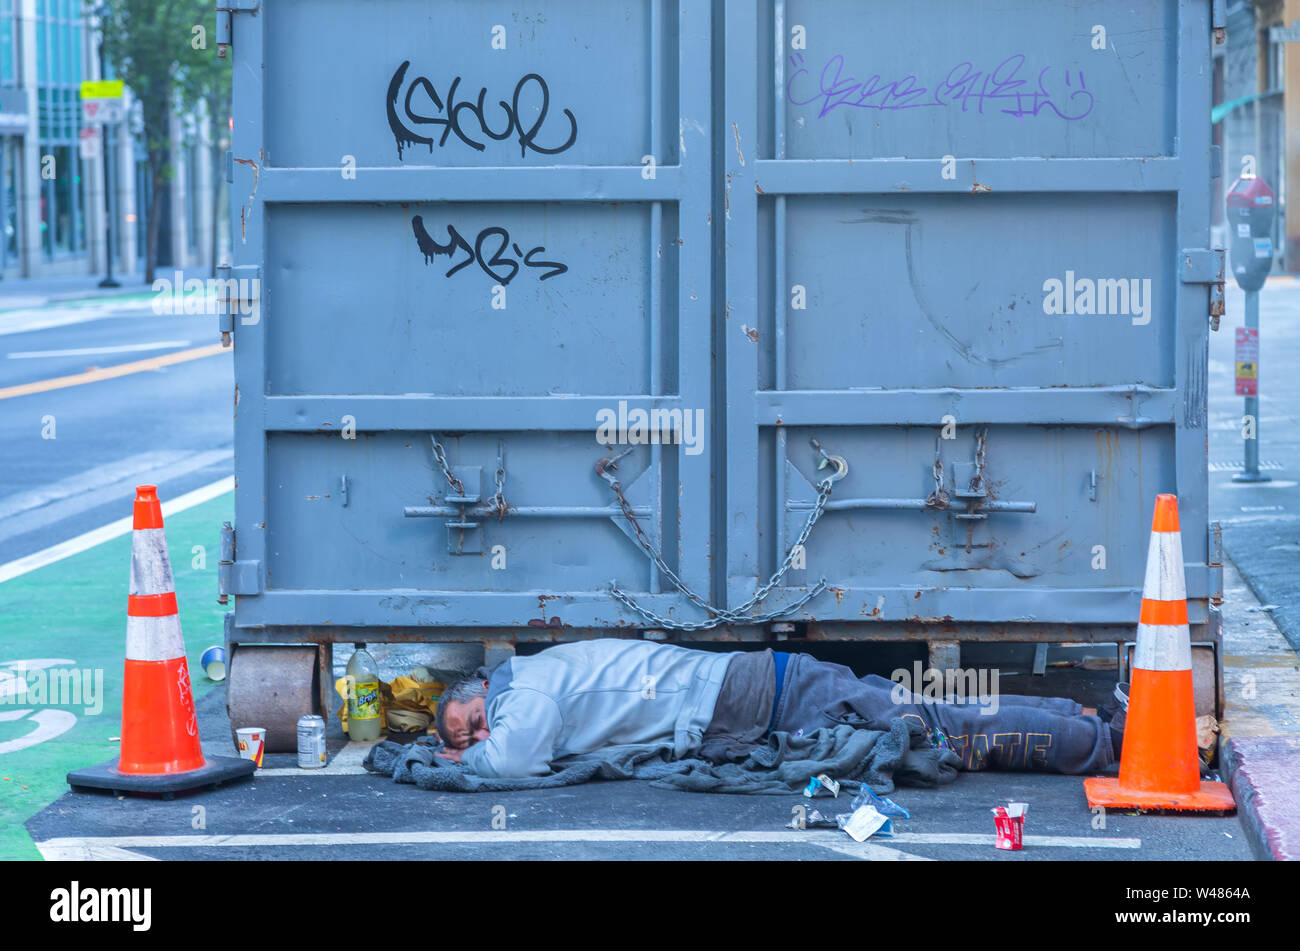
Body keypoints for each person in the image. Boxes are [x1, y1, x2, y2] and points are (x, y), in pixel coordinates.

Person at [433, 638, 1123, 779]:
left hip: (763, 693)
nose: (479, 736)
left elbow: (516, 757)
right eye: (468, 738)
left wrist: (460, 761)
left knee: (941, 726)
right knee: (934, 708)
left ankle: (1103, 745)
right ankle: (1074, 715)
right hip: (761, 691)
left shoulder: (528, 687)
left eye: (472, 723)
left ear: (482, 690)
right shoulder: (530, 681)